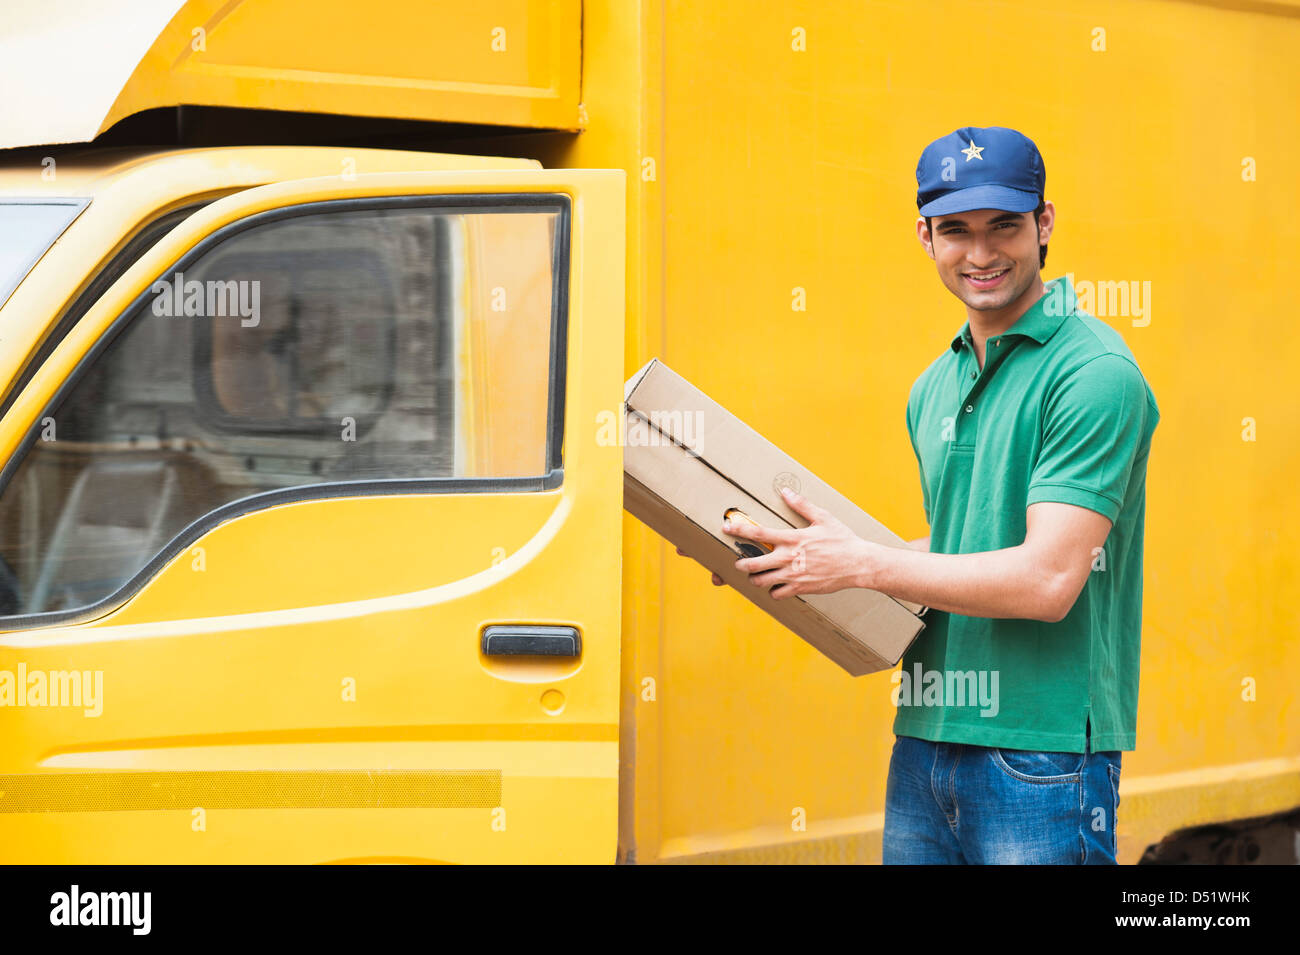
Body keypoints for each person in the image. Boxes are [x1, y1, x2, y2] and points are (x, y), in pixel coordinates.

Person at [679, 125, 1159, 864]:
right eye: (956, 231)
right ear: (925, 236)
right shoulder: (935, 383)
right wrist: (794, 558)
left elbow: (1047, 578)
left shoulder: (1091, 372)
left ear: (1046, 223)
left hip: (1042, 754)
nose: (982, 253)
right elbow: (961, 549)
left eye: (1004, 225)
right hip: (927, 738)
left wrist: (863, 565)